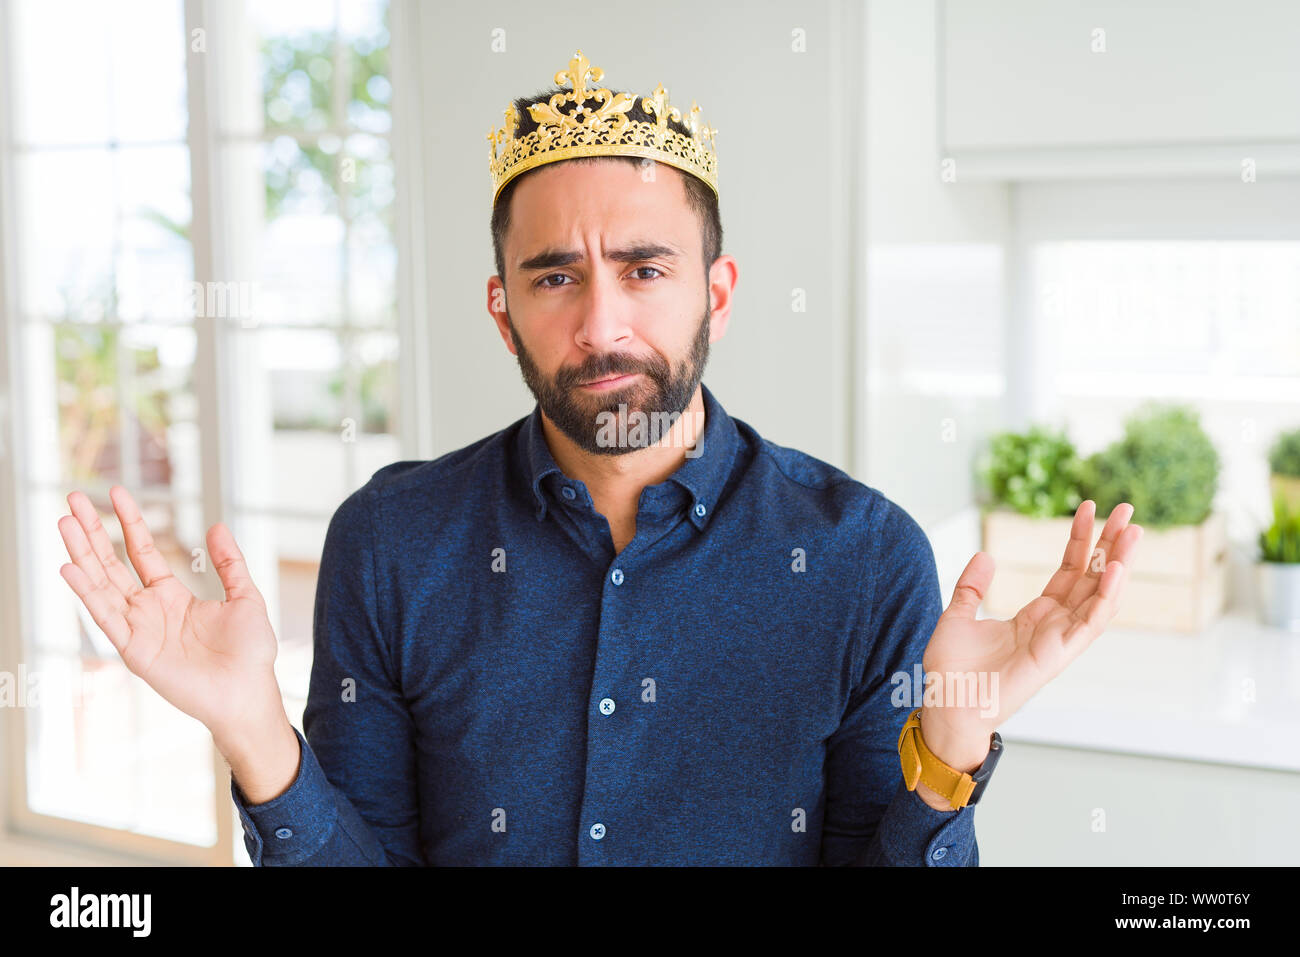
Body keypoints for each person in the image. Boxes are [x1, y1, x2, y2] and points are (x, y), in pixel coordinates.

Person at [56, 51, 1143, 866]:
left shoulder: (862, 557)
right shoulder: (391, 543)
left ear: (715, 293)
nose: (602, 323)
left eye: (644, 268)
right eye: (553, 277)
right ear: (503, 311)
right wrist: (254, 731)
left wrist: (949, 743)